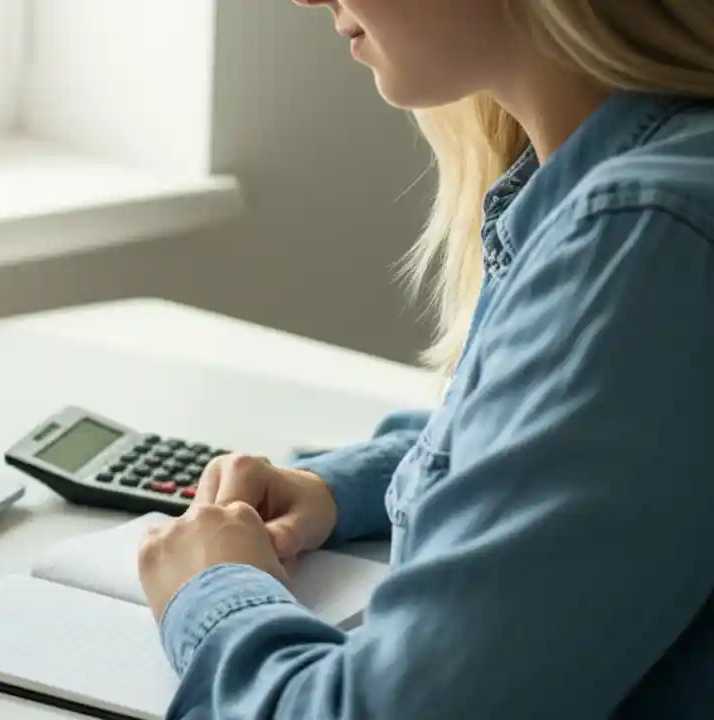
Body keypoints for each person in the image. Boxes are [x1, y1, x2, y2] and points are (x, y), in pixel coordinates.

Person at [136, 1, 714, 718]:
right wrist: (341, 488)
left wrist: (216, 592)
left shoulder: (647, 239)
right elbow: (604, 439)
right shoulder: (655, 186)